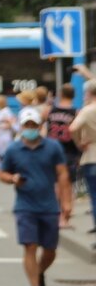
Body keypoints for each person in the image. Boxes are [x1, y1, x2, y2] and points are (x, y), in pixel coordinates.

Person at [0, 109, 71, 286]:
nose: (30, 129)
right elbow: (2, 173)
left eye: (33, 125)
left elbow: (62, 174)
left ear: (40, 126)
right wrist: (12, 178)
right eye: (26, 125)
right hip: (25, 206)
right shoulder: (14, 149)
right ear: (21, 127)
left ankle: (38, 273)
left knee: (50, 250)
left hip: (49, 206)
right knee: (29, 246)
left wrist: (66, 202)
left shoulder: (53, 147)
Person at [45, 84, 79, 228]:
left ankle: (56, 214)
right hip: (70, 150)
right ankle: (65, 217)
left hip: (52, 149)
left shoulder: (50, 110)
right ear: (73, 95)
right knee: (68, 185)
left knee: (56, 185)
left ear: (60, 94)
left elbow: (42, 124)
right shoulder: (75, 112)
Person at [69, 80, 96, 243]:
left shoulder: (87, 110)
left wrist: (79, 142)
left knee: (94, 196)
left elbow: (72, 129)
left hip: (91, 155)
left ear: (89, 93)